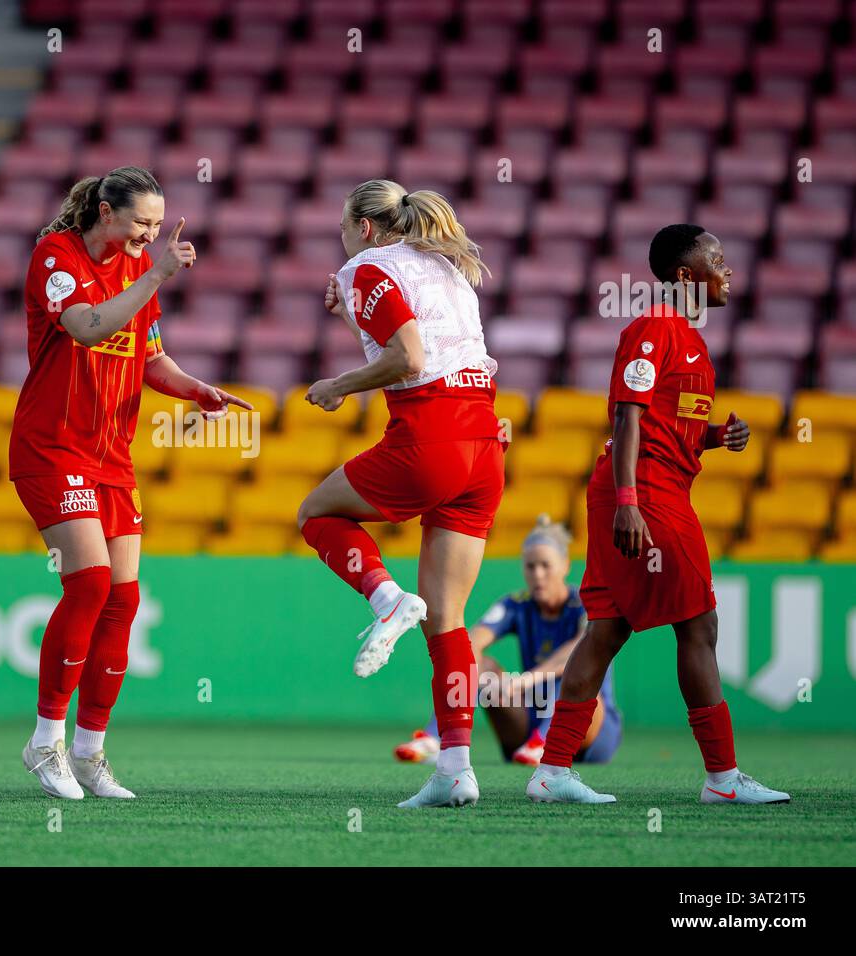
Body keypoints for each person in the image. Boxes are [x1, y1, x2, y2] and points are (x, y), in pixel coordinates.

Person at [10, 166, 252, 800]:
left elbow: (148, 356)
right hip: (51, 447)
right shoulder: (54, 256)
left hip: (112, 457)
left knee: (123, 600)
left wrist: (194, 388)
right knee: (88, 583)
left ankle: (90, 751)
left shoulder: (137, 270)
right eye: (142, 222)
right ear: (105, 212)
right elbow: (89, 327)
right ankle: (45, 742)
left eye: (157, 222)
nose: (152, 232)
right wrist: (157, 273)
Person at [526, 224, 789, 805]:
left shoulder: (693, 342)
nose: (729, 270)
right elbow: (627, 419)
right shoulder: (653, 329)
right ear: (686, 276)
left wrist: (717, 436)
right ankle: (722, 779)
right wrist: (628, 504)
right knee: (699, 625)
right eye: (717, 259)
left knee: (607, 631)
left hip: (657, 489)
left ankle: (551, 771)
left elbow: (671, 429)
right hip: (646, 496)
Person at [297, 180, 505, 808]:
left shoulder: (365, 265)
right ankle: (456, 771)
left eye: (341, 227)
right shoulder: (444, 266)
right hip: (484, 446)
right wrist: (349, 307)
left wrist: (340, 384)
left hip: (431, 435)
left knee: (315, 512)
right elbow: (427, 335)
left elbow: (410, 357)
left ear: (363, 227)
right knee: (449, 623)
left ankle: (386, 599)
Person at [395, 517, 622, 768]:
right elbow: (471, 641)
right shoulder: (516, 604)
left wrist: (524, 680)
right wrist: (466, 669)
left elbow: (577, 649)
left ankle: (545, 743)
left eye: (546, 566)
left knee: (573, 674)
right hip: (529, 723)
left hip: (593, 731)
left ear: (565, 565)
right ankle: (436, 737)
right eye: (530, 567)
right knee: (475, 663)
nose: (538, 575)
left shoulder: (584, 603)